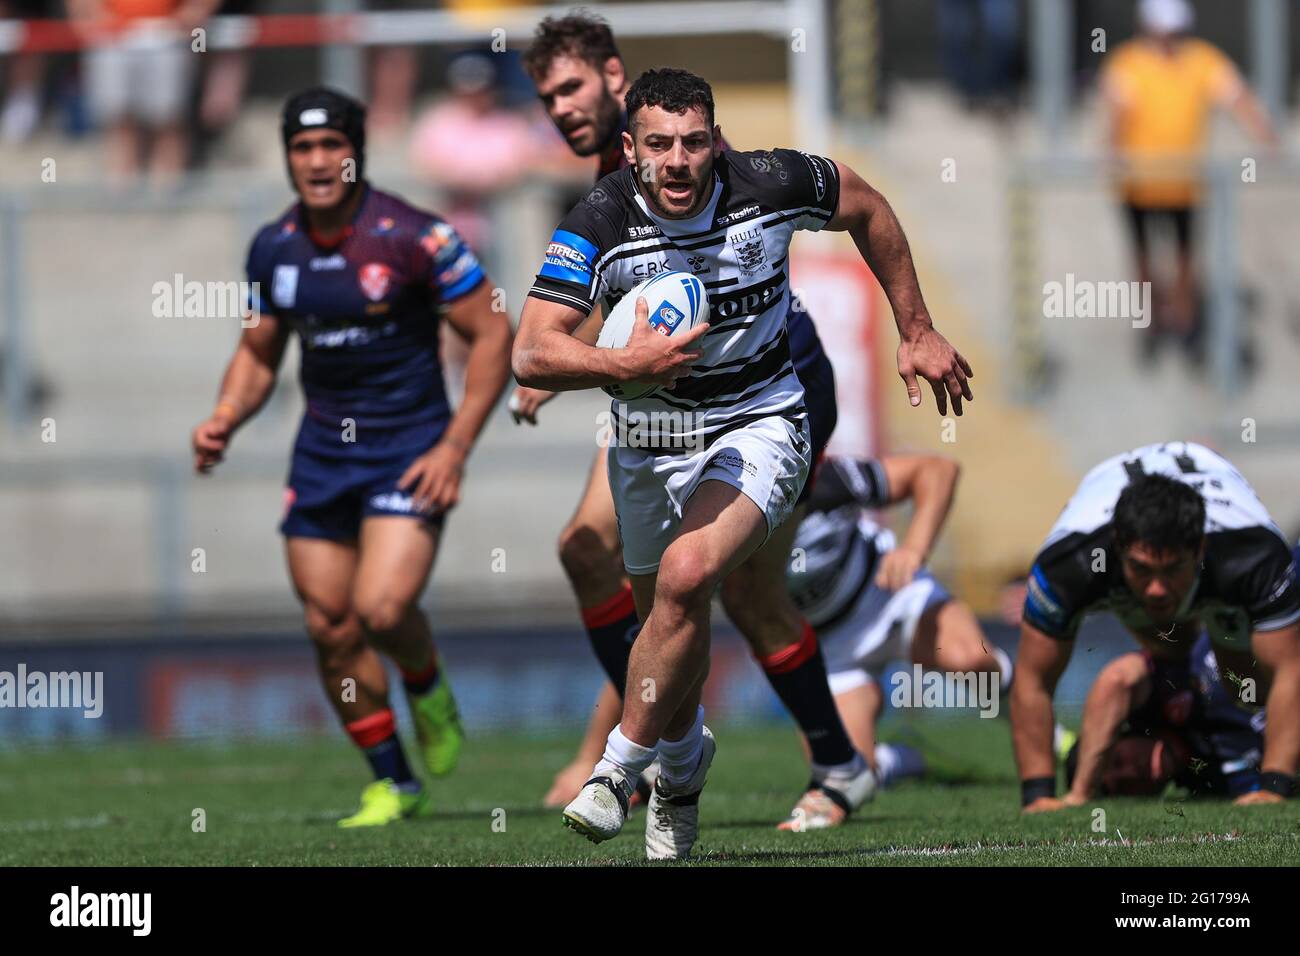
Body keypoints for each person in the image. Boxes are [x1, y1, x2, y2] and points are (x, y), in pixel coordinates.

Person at [517, 11, 967, 832]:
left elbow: (861, 200)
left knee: (718, 581)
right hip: (653, 411)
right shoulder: (599, 207)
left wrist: (917, 327)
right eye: (546, 96)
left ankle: (646, 767)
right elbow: (548, 336)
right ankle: (682, 760)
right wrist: (604, 363)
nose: (561, 107)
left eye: (572, 87)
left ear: (616, 81)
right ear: (633, 148)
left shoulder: (754, 178)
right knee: (626, 573)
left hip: (771, 392)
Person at [190, 88, 513, 827]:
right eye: (302, 149)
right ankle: (393, 782)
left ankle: (426, 684)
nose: (317, 162)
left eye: (331, 145)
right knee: (330, 626)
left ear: (356, 151)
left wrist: (455, 446)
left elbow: (494, 333)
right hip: (322, 458)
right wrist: (225, 417)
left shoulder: (414, 236)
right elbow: (258, 352)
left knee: (382, 608)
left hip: (410, 450)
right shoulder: (274, 247)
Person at [1011, 442, 1300, 812]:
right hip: (1106, 492)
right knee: (1173, 646)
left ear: (1199, 549)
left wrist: (1273, 788)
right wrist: (1039, 796)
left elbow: (1288, 670)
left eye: (1172, 569)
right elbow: (1033, 677)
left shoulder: (1253, 554)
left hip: (1220, 512)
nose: (1157, 588)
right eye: (1142, 569)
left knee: (1246, 688)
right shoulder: (1071, 564)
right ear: (1118, 548)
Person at [786, 455, 1009, 796]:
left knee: (974, 663)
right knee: (847, 781)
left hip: (889, 596)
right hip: (829, 648)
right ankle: (901, 760)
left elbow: (939, 470)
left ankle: (1044, 731)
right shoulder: (726, 519)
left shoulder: (823, 478)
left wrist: (914, 549)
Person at [1101, 0, 1277, 363]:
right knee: (1143, 257)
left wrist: (1266, 136)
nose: (1169, 38)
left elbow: (1237, 98)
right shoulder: (1128, 63)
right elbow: (1119, 115)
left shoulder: (1201, 60)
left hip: (1184, 184)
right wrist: (1114, 154)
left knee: (1184, 257)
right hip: (1139, 185)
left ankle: (1184, 324)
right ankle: (1151, 324)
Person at [1063, 631, 1267, 801]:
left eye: (1117, 761)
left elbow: (1115, 681)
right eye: (1121, 786)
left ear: (1120, 734)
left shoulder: (1163, 686)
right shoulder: (1209, 783)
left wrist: (1080, 792)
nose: (1130, 774)